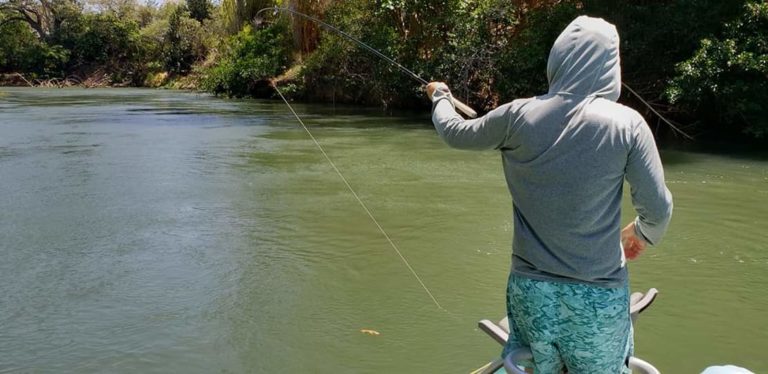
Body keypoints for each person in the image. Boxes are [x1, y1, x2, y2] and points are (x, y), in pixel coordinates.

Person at [426, 16, 673, 373]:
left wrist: (441, 97)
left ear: (557, 60)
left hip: (530, 292)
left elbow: (454, 132)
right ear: (611, 65)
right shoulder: (627, 124)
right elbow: (658, 209)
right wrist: (641, 233)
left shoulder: (516, 115)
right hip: (598, 298)